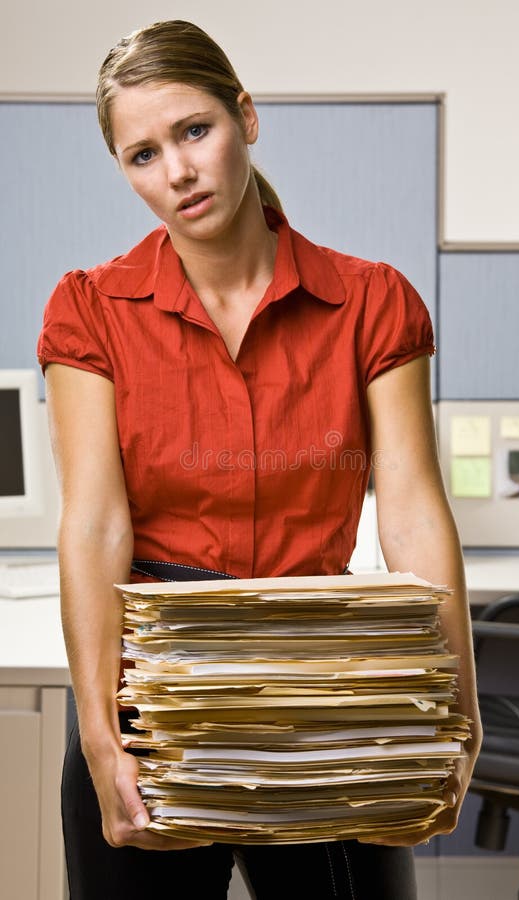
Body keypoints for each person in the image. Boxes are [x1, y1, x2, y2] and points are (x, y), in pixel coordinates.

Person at [37, 19, 481, 900]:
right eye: (143, 154)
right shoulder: (88, 310)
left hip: (326, 696)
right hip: (154, 702)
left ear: (245, 116)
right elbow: (94, 522)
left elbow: (412, 512)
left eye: (194, 130)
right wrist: (99, 733)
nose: (178, 172)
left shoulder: (372, 302)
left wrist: (453, 712)